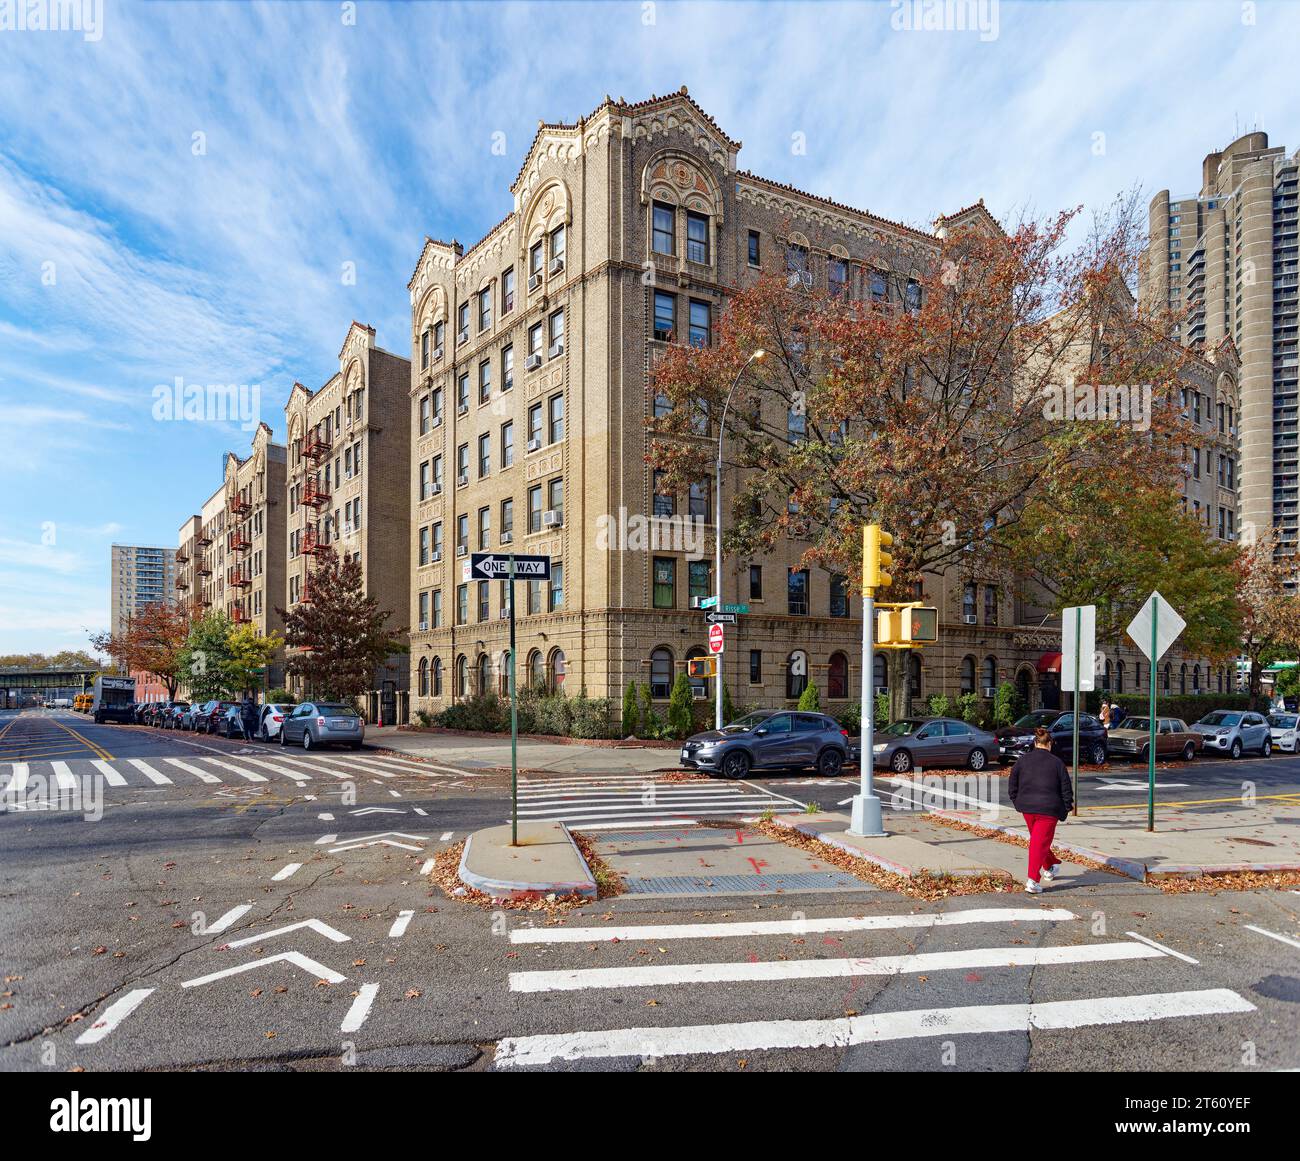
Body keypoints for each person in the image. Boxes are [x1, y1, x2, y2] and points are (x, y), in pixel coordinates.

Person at [1008, 725, 1074, 894]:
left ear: (1035, 743)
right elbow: (1066, 787)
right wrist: (1066, 807)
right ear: (1049, 743)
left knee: (1039, 842)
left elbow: (1012, 782)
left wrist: (1016, 801)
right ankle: (1032, 880)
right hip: (1049, 809)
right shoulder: (1057, 763)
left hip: (1027, 808)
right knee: (1039, 843)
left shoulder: (1022, 760)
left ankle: (1051, 866)